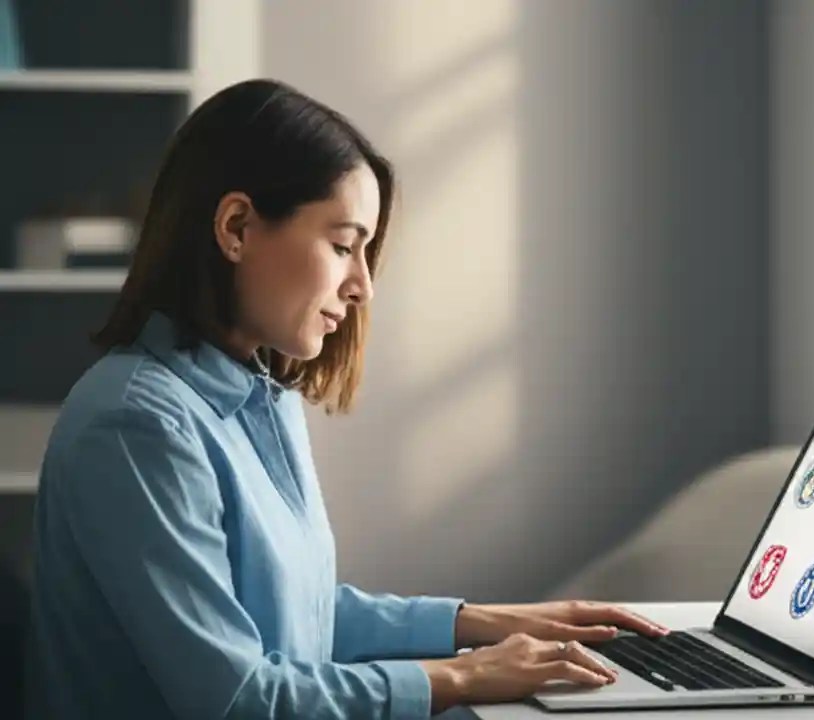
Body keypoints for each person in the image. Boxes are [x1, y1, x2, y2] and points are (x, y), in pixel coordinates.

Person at [24, 78, 668, 719]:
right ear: (237, 227)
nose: (362, 285)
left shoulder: (259, 397)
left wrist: (484, 623)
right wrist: (461, 677)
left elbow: (296, 613)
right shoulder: (137, 425)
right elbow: (239, 699)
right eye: (341, 245)